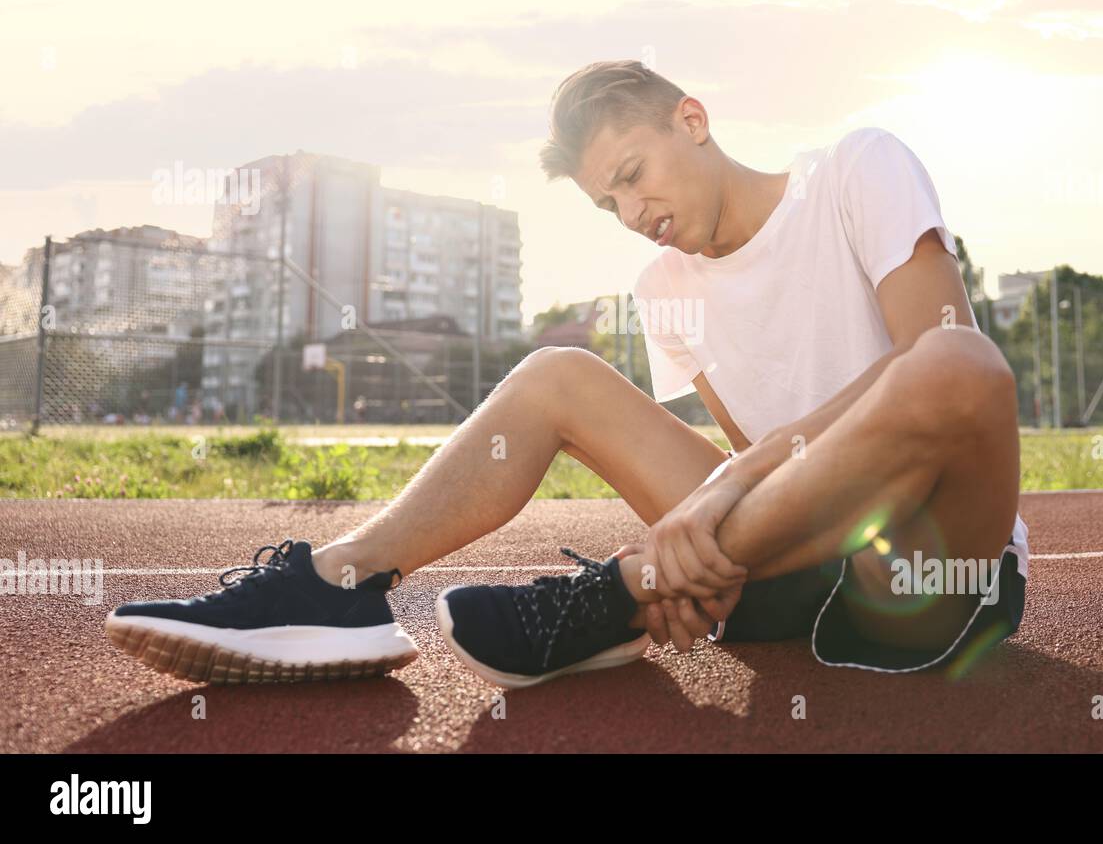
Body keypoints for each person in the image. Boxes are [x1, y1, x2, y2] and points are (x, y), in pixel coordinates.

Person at [105, 60, 1029, 687]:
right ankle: (334, 582)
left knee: (956, 358)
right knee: (557, 373)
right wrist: (722, 512)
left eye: (634, 174)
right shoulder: (663, 285)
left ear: (693, 120)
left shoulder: (858, 170)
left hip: (940, 558)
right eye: (608, 200)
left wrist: (731, 486)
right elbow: (772, 468)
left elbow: (935, 372)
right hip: (802, 564)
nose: (631, 211)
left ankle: (628, 589)